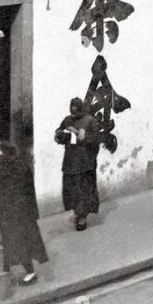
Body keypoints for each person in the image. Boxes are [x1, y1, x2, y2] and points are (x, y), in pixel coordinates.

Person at [0, 138, 48, 286]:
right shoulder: (20, 165)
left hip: (14, 212)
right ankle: (8, 271)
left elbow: (6, 190)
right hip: (21, 211)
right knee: (16, 242)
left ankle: (27, 273)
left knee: (17, 242)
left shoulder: (7, 167)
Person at [56, 97, 100, 230]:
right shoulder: (67, 120)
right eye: (72, 110)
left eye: (76, 111)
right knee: (72, 190)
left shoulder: (89, 121)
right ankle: (77, 212)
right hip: (70, 161)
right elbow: (59, 132)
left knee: (83, 191)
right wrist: (60, 136)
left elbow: (95, 140)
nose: (73, 114)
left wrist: (83, 136)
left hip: (84, 163)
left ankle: (82, 217)